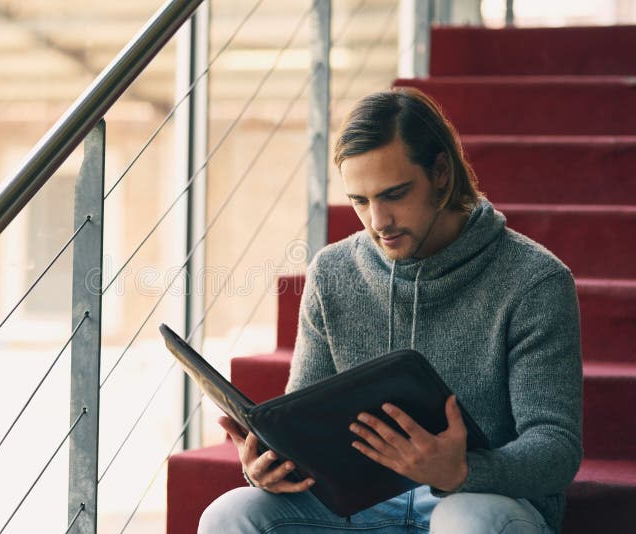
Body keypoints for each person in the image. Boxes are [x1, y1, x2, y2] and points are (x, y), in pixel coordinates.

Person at [198, 87, 582, 534]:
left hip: (477, 500)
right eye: (360, 201)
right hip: (358, 506)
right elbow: (303, 416)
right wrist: (272, 462)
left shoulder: (534, 281)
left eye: (393, 194)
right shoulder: (332, 273)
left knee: (466, 521)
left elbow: (556, 447)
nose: (378, 221)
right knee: (230, 515)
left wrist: (461, 472)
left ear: (441, 173)